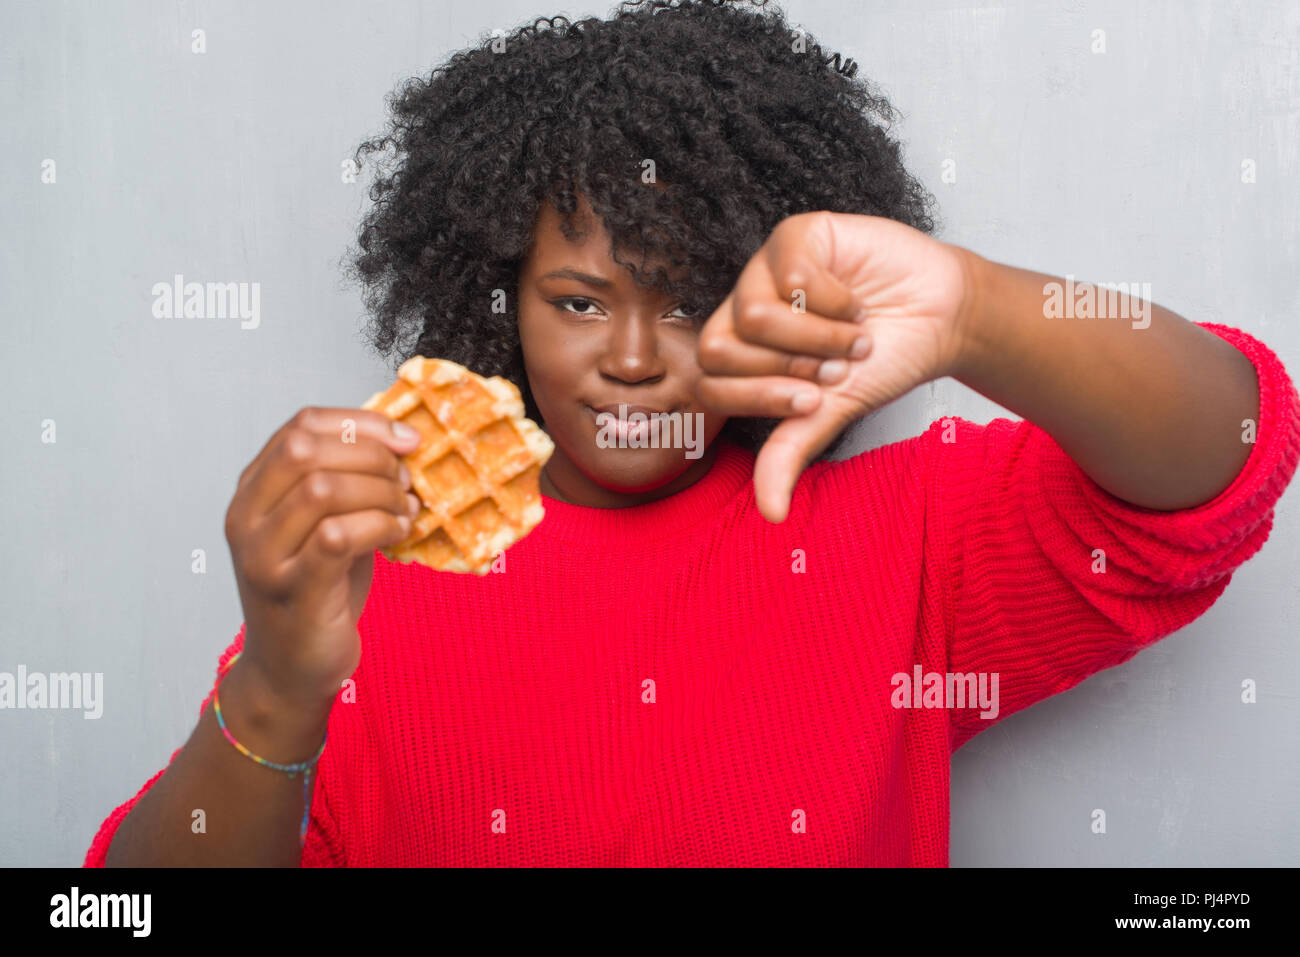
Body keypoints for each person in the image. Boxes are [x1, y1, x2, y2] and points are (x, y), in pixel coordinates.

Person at [87, 0, 1299, 866]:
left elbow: (1227, 459)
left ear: (772, 296)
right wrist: (274, 693)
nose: (627, 356)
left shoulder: (903, 545)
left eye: (688, 297)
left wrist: (979, 309)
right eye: (576, 301)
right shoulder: (367, 597)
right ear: (492, 299)